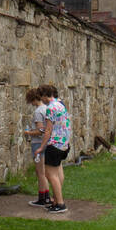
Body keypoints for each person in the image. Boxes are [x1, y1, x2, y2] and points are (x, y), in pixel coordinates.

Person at [38, 86, 72, 214]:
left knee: (50, 175)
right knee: (58, 173)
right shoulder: (61, 104)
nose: (41, 99)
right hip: (64, 144)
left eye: (41, 96)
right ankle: (56, 201)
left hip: (54, 144)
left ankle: (61, 203)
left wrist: (41, 147)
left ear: (45, 95)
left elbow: (48, 130)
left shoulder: (50, 108)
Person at [24, 86, 52, 206]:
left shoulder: (38, 111)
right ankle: (44, 196)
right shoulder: (47, 108)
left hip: (38, 143)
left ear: (33, 99)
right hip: (46, 143)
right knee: (43, 171)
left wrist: (28, 132)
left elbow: (40, 130)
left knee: (40, 172)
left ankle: (44, 197)